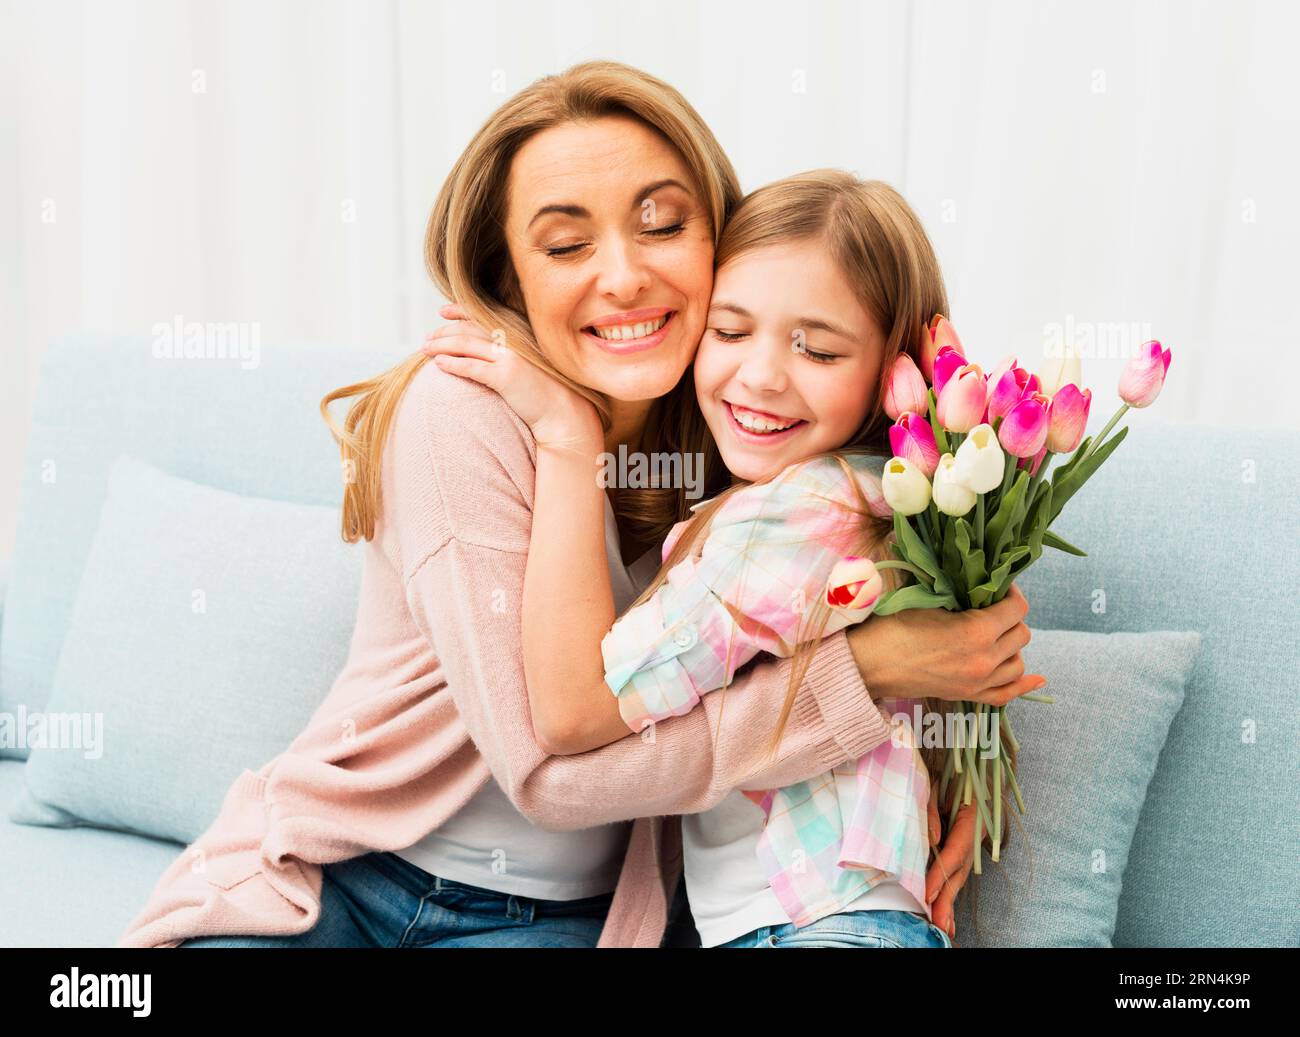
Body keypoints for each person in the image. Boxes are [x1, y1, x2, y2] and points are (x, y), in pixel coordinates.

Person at [118, 61, 1037, 950]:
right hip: (348, 880)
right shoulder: (462, 411)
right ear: (509, 275)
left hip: (568, 920)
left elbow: (910, 578)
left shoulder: (741, 426)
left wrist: (951, 785)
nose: (626, 275)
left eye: (663, 225)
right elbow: (549, 770)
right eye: (566, 245)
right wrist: (861, 676)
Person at [423, 170, 1035, 949]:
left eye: (816, 347)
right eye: (731, 330)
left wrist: (564, 433)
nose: (763, 375)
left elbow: (579, 708)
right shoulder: (886, 500)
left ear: (899, 368)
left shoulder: (797, 513)